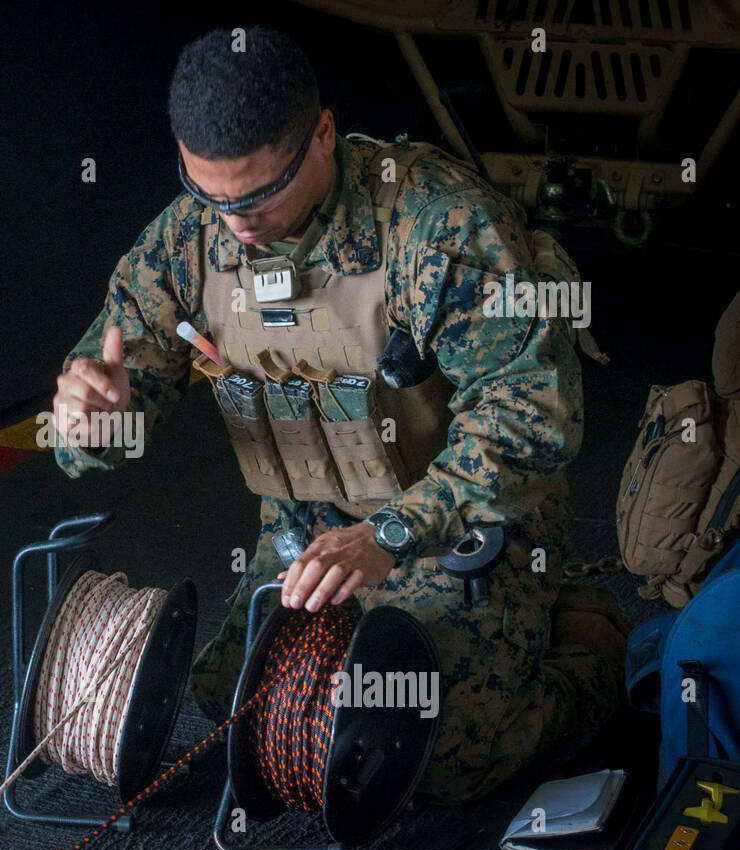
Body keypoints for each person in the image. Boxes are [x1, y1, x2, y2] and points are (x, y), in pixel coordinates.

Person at [49, 26, 623, 804]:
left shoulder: (438, 224)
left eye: (255, 195)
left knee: (435, 753)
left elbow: (533, 418)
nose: (234, 223)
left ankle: (590, 640)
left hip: (462, 525)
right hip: (307, 534)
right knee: (238, 710)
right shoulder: (189, 240)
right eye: (207, 194)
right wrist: (92, 424)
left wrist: (390, 536)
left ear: (322, 134)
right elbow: (99, 413)